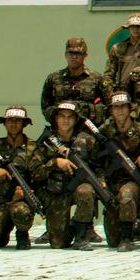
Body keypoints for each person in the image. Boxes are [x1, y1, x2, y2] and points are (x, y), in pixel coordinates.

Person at [30, 101, 98, 251]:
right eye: (62, 116)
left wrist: (101, 181)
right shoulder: (45, 141)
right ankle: (72, 227)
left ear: (76, 120)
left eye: (70, 117)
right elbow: (35, 172)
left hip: (78, 187)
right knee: (58, 243)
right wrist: (54, 163)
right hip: (56, 192)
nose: (65, 120)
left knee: (85, 191)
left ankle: (81, 236)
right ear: (55, 118)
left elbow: (98, 166)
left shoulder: (86, 140)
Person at [0, 106, 42, 251]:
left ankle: (22, 234)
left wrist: (26, 194)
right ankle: (4, 229)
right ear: (4, 123)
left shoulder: (32, 148)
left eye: (18, 121)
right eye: (10, 120)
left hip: (20, 201)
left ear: (24, 124)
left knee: (21, 211)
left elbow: (39, 176)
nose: (13, 124)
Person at [92, 92, 140, 251]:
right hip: (111, 182)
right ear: (111, 110)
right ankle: (134, 229)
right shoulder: (103, 130)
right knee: (112, 240)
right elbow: (94, 158)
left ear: (129, 108)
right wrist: (100, 177)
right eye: (116, 107)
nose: (119, 111)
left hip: (133, 180)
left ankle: (127, 238)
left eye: (123, 107)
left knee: (126, 195)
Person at [42, 37, 107, 124]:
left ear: (85, 55)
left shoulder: (97, 78)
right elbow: (45, 108)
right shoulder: (54, 78)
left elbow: (107, 107)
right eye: (71, 53)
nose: (74, 57)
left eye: (78, 53)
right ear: (65, 55)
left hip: (87, 130)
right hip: (61, 131)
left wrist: (87, 110)